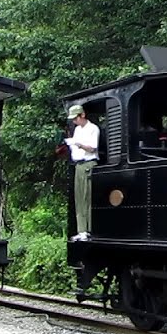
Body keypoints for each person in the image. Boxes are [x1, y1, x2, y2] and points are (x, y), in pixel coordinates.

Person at [65, 103, 99, 241]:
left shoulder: (93, 128)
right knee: (79, 198)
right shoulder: (78, 130)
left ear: (82, 115)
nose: (74, 121)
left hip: (88, 163)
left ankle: (89, 230)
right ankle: (81, 230)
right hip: (78, 164)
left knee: (87, 197)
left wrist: (78, 144)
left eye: (75, 118)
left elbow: (92, 149)